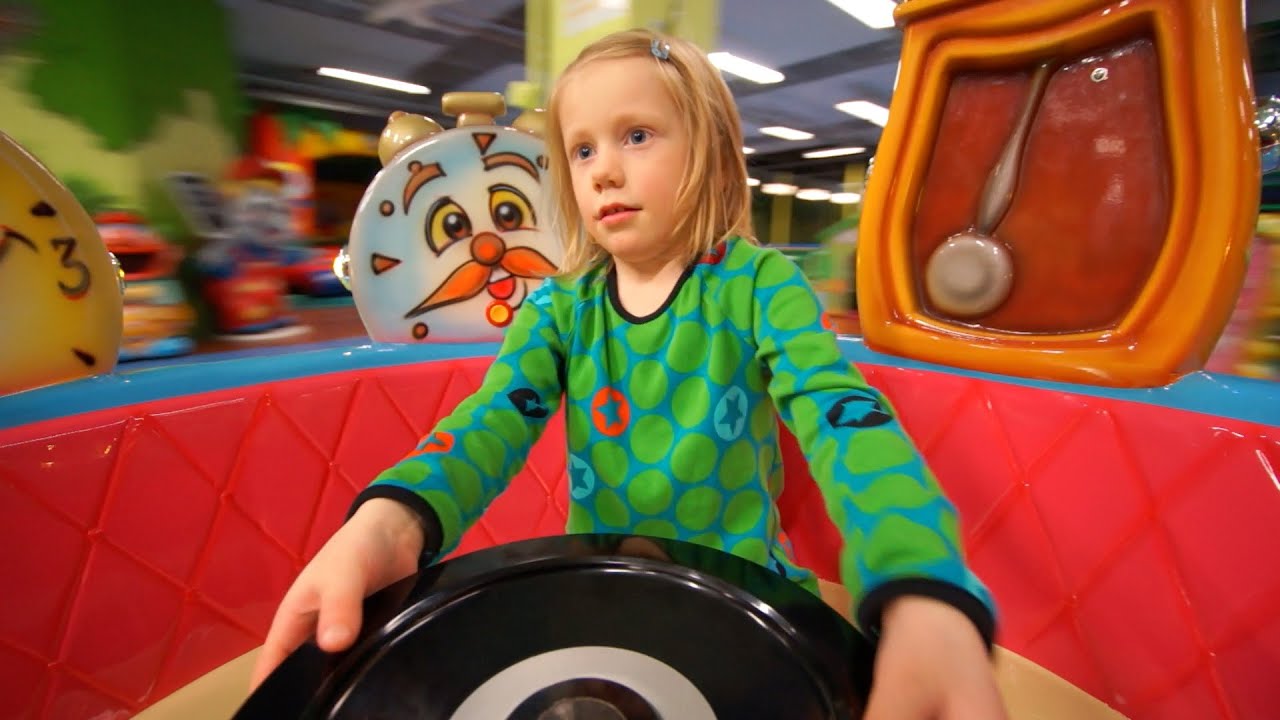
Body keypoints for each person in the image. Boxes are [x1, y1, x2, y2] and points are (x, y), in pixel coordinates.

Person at [252, 28, 1007, 718]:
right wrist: (392, 519)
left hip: (747, 597)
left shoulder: (758, 285)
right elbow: (489, 422)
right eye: (581, 151)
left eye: (636, 135)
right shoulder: (559, 309)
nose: (604, 170)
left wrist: (922, 582)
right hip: (599, 598)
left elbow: (841, 413)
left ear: (707, 149)